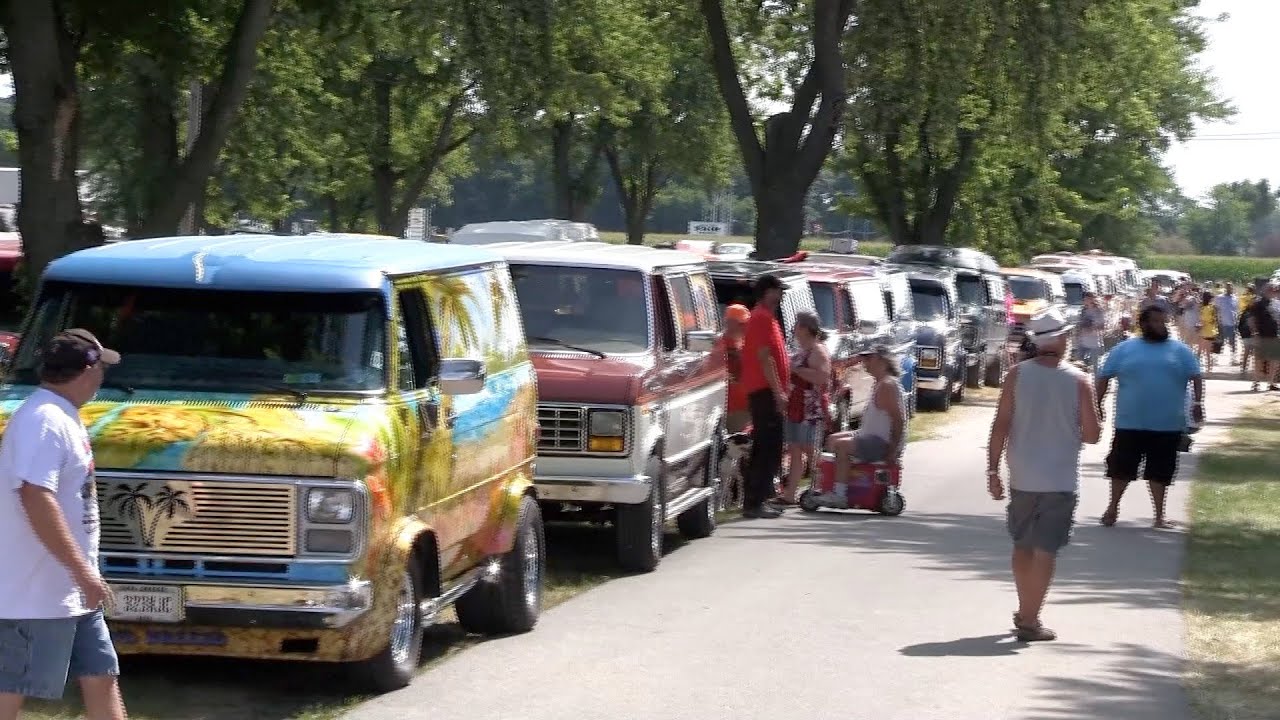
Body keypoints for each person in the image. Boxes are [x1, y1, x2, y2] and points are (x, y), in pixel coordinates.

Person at [0, 329, 127, 720]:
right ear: (88, 369)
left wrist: (82, 577)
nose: (103, 377)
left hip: (70, 592)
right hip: (33, 595)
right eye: (101, 368)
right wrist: (82, 572)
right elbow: (35, 495)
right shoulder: (43, 420)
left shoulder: (60, 415)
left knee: (101, 676)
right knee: (9, 692)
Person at [987, 308, 1101, 642]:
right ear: (1061, 339)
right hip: (1059, 477)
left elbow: (1001, 425)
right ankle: (1030, 619)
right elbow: (1092, 434)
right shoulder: (1079, 380)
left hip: (1022, 473)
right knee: (1046, 548)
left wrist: (992, 469)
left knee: (1022, 546)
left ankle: (1025, 611)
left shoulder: (1016, 375)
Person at [1096, 306, 1204, 529]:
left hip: (1167, 424)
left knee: (1161, 472)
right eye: (1154, 322)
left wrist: (1197, 403)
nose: (1159, 326)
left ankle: (1159, 516)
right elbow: (1104, 376)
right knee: (1120, 468)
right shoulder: (1124, 349)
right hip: (1129, 422)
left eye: (1163, 321)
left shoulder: (1180, 350)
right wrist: (1097, 404)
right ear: (1143, 324)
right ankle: (1112, 507)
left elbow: (1196, 375)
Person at [822, 345, 906, 507]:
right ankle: (845, 482)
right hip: (870, 436)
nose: (864, 362)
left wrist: (893, 450)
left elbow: (898, 420)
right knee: (833, 440)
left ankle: (839, 495)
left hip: (881, 443)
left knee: (842, 446)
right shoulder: (880, 383)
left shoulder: (887, 385)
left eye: (869, 358)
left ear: (881, 360)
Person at [740, 275, 790, 519]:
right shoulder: (760, 318)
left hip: (768, 391)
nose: (780, 296)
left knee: (772, 446)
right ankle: (753, 502)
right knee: (766, 446)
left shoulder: (769, 319)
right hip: (764, 391)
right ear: (766, 292)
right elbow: (764, 358)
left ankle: (761, 497)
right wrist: (778, 391)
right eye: (776, 291)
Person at [779, 311, 830, 505]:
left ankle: (821, 487)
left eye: (797, 325)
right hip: (796, 406)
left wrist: (797, 370)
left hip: (810, 408)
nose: (794, 329)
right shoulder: (802, 350)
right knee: (795, 449)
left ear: (806, 329)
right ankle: (790, 494)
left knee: (810, 449)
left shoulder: (817, 351)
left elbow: (822, 377)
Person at [713, 304, 752, 433]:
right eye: (742, 324)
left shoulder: (746, 344)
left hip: (744, 408)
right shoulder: (719, 345)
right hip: (726, 409)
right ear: (730, 323)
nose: (745, 327)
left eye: (746, 324)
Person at [1245, 283, 1280, 392]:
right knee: (1259, 360)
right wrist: (1254, 333)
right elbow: (1250, 319)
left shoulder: (1276, 303)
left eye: (1274, 290)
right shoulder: (1258, 303)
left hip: (1274, 335)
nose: (1273, 292)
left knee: (1273, 360)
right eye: (1271, 290)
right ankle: (1256, 383)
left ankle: (1271, 383)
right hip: (1261, 335)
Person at [1074, 292, 1105, 373]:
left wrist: (1091, 328)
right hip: (1082, 341)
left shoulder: (1098, 311)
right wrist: (1078, 334)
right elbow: (1079, 323)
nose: (1085, 300)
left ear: (1092, 299)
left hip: (1094, 342)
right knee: (1078, 363)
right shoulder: (1083, 310)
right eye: (1085, 299)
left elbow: (1102, 326)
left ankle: (1097, 383)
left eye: (1087, 298)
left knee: (1096, 366)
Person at [1213, 283, 1239, 366]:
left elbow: (1236, 310)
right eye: (1228, 287)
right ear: (1225, 288)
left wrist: (1236, 322)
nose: (1229, 289)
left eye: (1231, 287)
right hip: (1222, 323)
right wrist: (1217, 321)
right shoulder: (1219, 298)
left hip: (1232, 323)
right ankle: (1215, 359)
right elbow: (1215, 309)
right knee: (1219, 342)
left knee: (1233, 343)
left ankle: (1233, 359)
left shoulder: (1235, 298)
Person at [1196, 290, 1219, 370]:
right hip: (1211, 331)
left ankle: (1198, 367)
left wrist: (1199, 325)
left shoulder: (1205, 308)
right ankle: (1209, 368)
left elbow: (1204, 320)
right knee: (1208, 352)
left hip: (1204, 332)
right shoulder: (1212, 307)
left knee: (1200, 351)